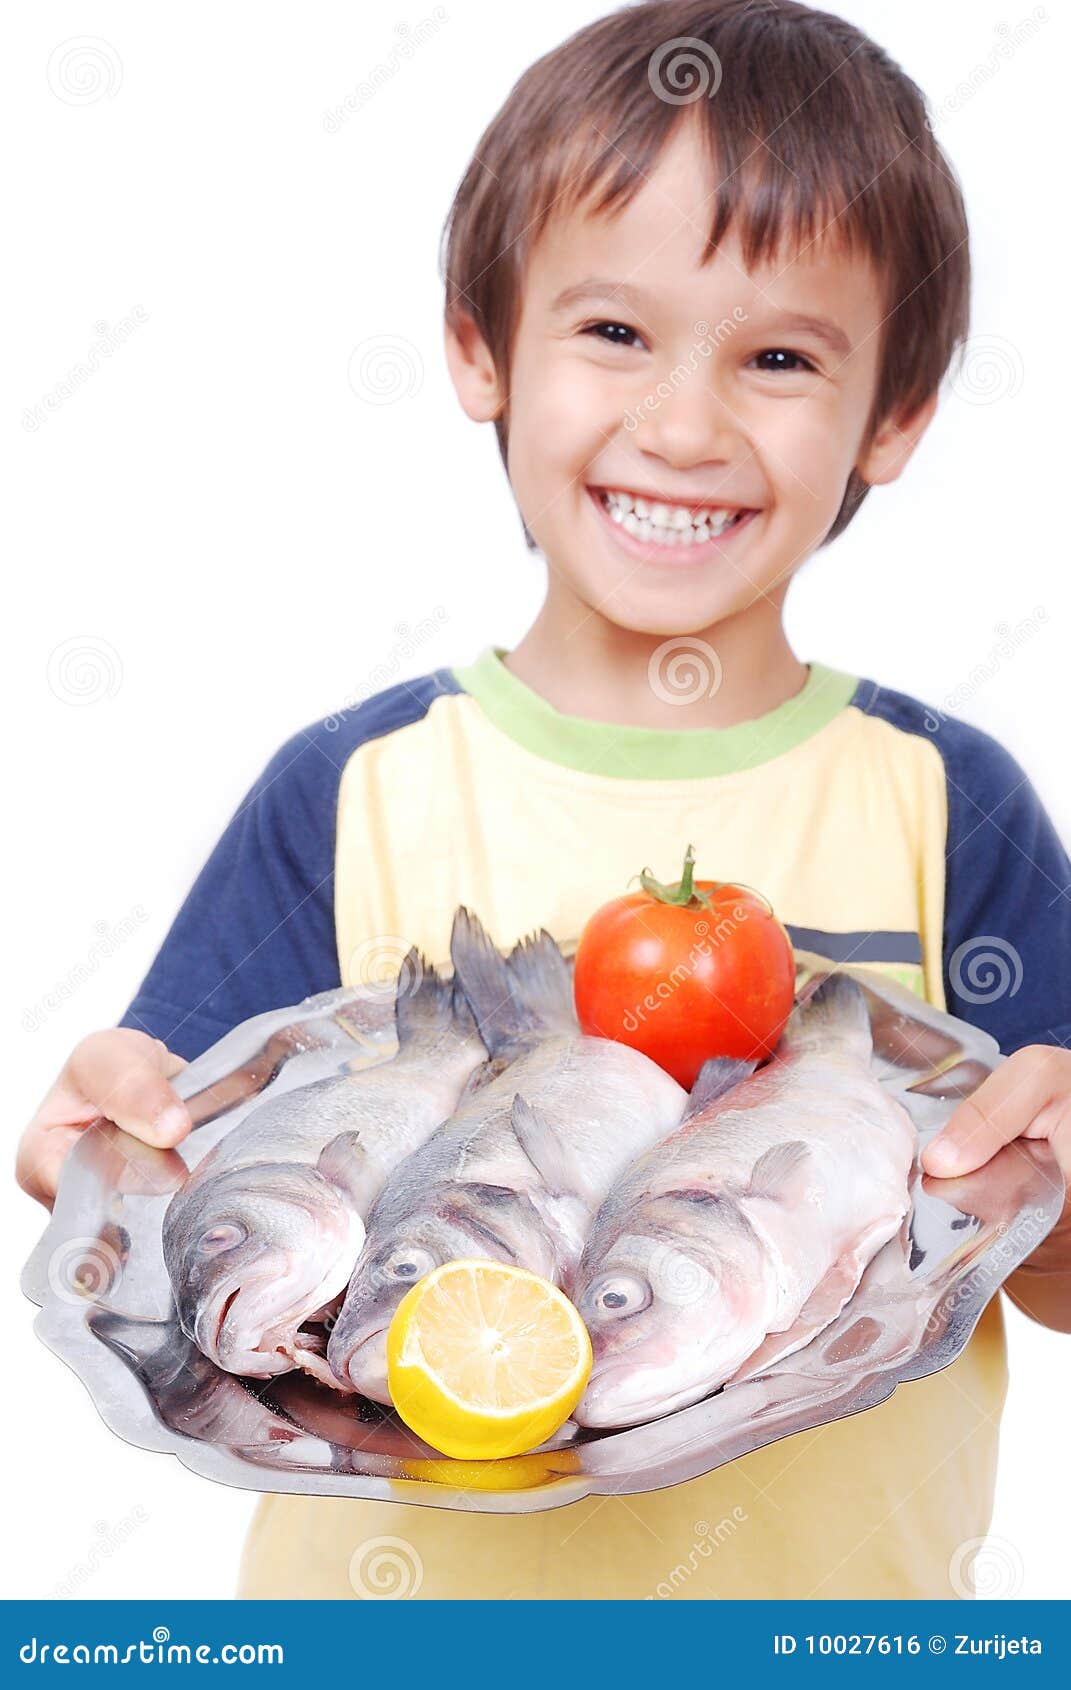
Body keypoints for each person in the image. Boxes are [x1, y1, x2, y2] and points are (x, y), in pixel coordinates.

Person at [17, 0, 1070, 1599]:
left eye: (780, 356)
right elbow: (169, 1135)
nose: (684, 423)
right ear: (477, 345)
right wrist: (96, 1135)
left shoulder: (947, 799)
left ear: (902, 410)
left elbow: (1050, 1261)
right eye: (614, 333)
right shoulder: (348, 791)